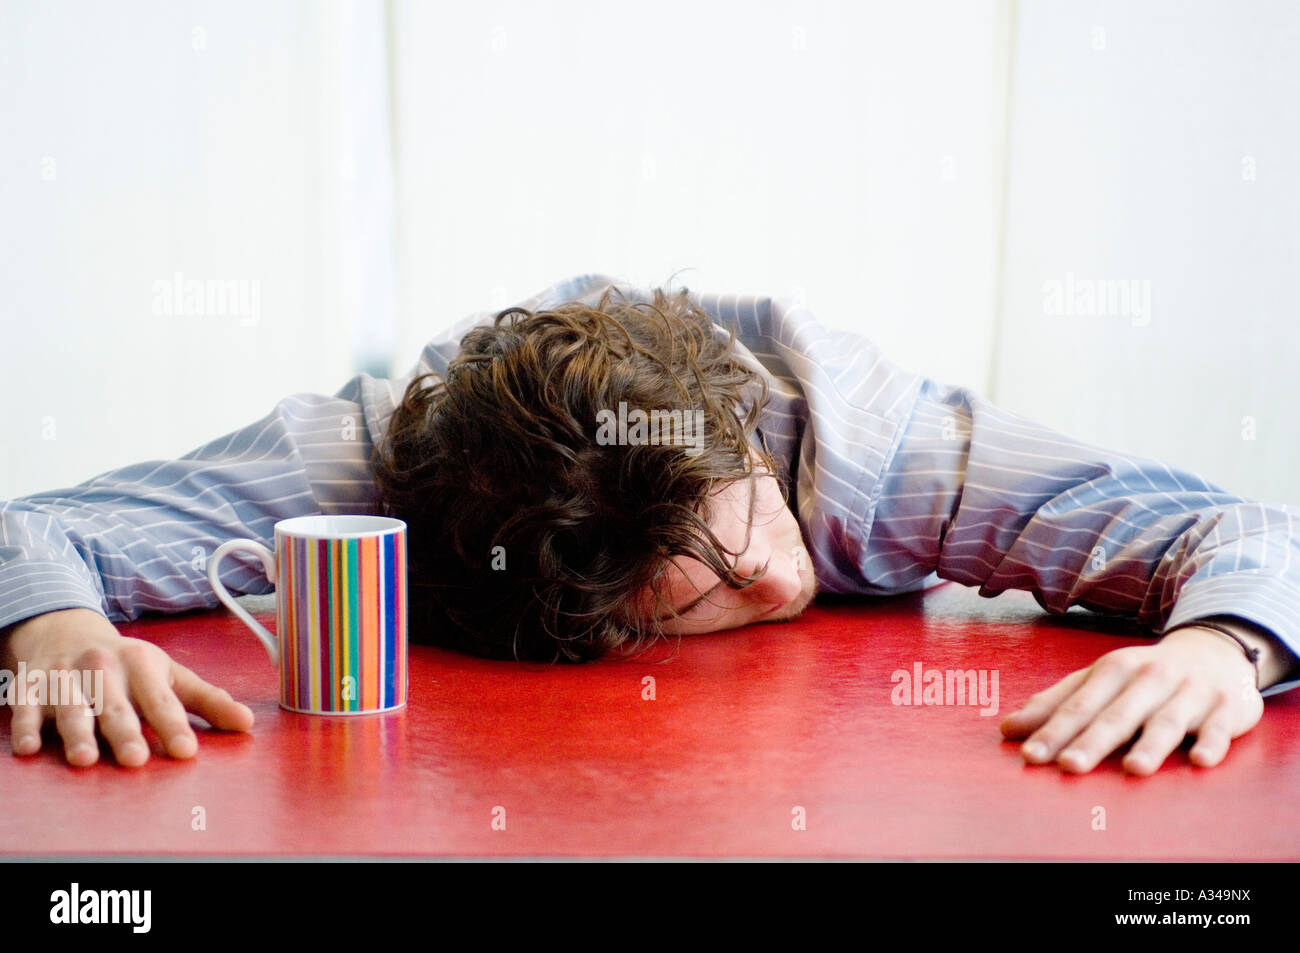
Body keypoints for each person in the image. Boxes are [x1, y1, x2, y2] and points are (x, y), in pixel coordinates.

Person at [2, 273, 1297, 775]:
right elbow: (38, 526)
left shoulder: (887, 449)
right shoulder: (363, 469)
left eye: (739, 516)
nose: (766, 574)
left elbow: (1241, 529)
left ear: (743, 426)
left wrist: (1222, 646)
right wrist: (57, 623)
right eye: (693, 600)